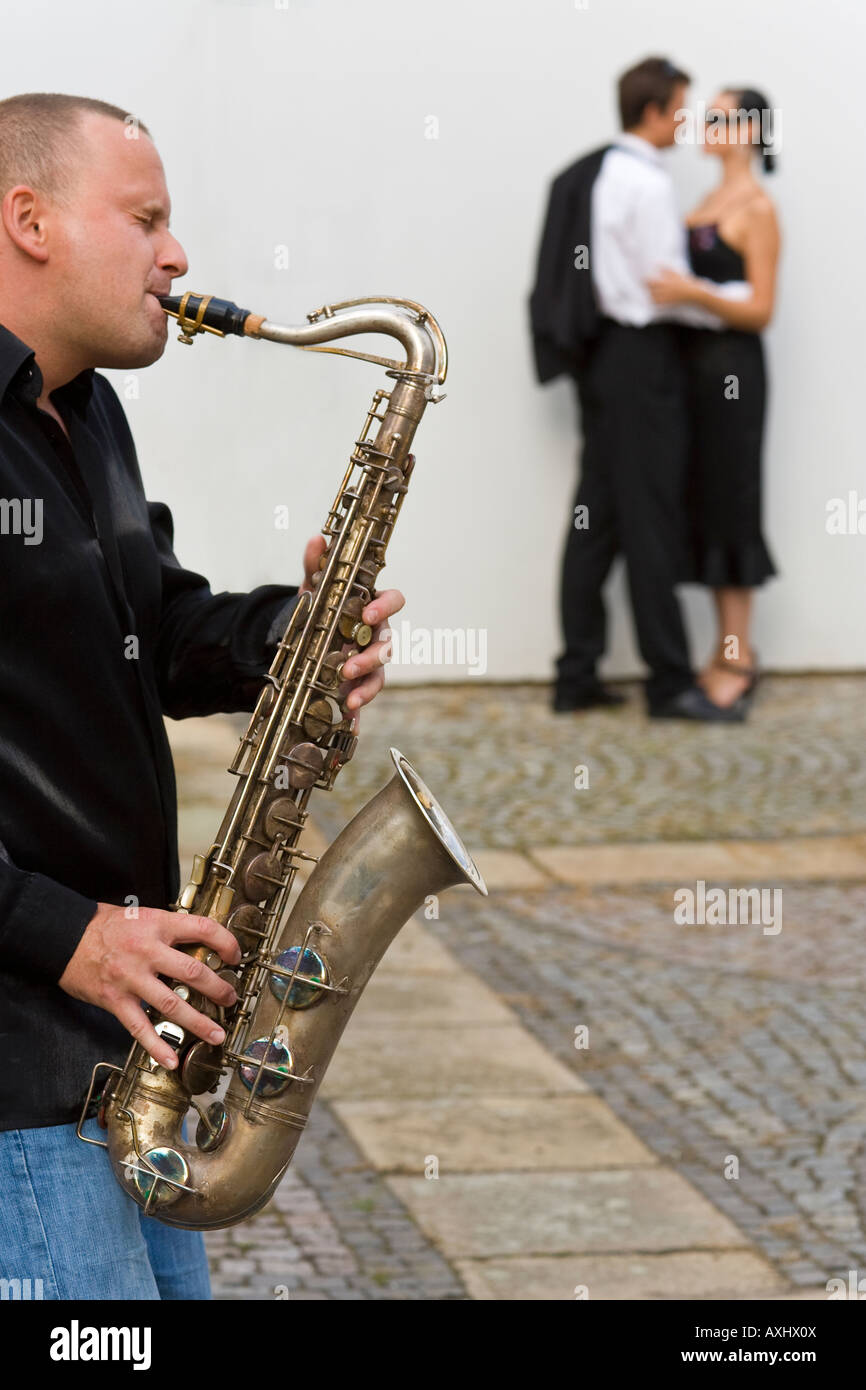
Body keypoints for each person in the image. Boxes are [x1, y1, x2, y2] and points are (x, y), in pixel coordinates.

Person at [0, 93, 403, 1300]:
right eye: (147, 218)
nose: (178, 256)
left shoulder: (85, 409)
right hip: (20, 1081)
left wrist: (293, 629)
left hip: (128, 1059)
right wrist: (59, 932)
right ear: (30, 219)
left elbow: (155, 627)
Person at [530, 56, 744, 721]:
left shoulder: (596, 172)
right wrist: (730, 298)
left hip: (602, 359)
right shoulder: (645, 184)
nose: (685, 121)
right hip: (641, 358)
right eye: (680, 108)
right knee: (652, 518)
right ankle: (671, 683)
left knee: (597, 516)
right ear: (653, 111)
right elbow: (664, 290)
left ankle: (575, 675)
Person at [648, 87, 780, 713]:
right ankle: (719, 652)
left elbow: (761, 308)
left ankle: (738, 656)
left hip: (734, 376)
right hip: (694, 376)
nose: (707, 126)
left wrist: (692, 292)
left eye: (721, 118)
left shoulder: (757, 207)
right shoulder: (707, 200)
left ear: (750, 130)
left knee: (732, 505)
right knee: (702, 502)